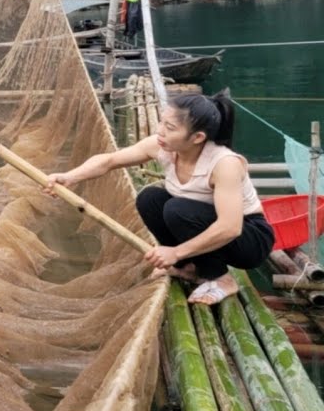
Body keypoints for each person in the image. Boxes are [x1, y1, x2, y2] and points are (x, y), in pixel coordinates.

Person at [46, 90, 273, 305]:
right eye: (162, 122)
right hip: (200, 222)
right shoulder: (163, 146)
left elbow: (230, 227)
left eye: (170, 128)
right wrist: (69, 177)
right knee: (150, 199)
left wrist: (175, 252)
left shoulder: (224, 164)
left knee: (177, 209)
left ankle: (222, 278)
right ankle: (190, 268)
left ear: (197, 137)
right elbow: (109, 160)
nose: (160, 131)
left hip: (249, 240)